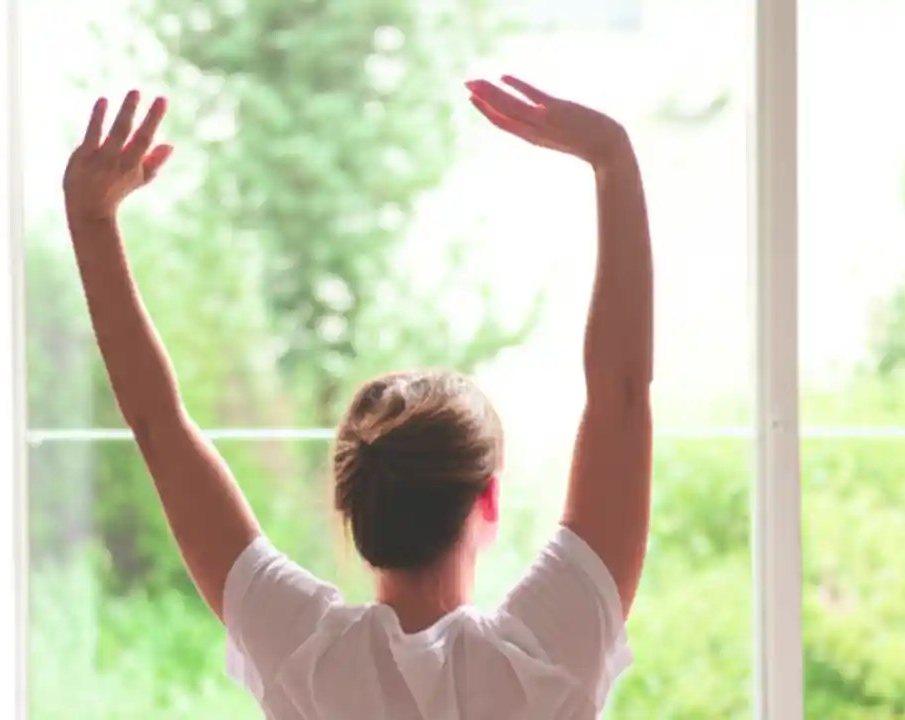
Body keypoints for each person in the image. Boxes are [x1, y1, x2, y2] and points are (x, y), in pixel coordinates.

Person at [62, 75, 654, 719]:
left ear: (349, 501)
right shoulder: (546, 662)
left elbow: (159, 426)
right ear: (488, 497)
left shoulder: (304, 658)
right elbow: (621, 393)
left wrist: (92, 222)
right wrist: (612, 158)